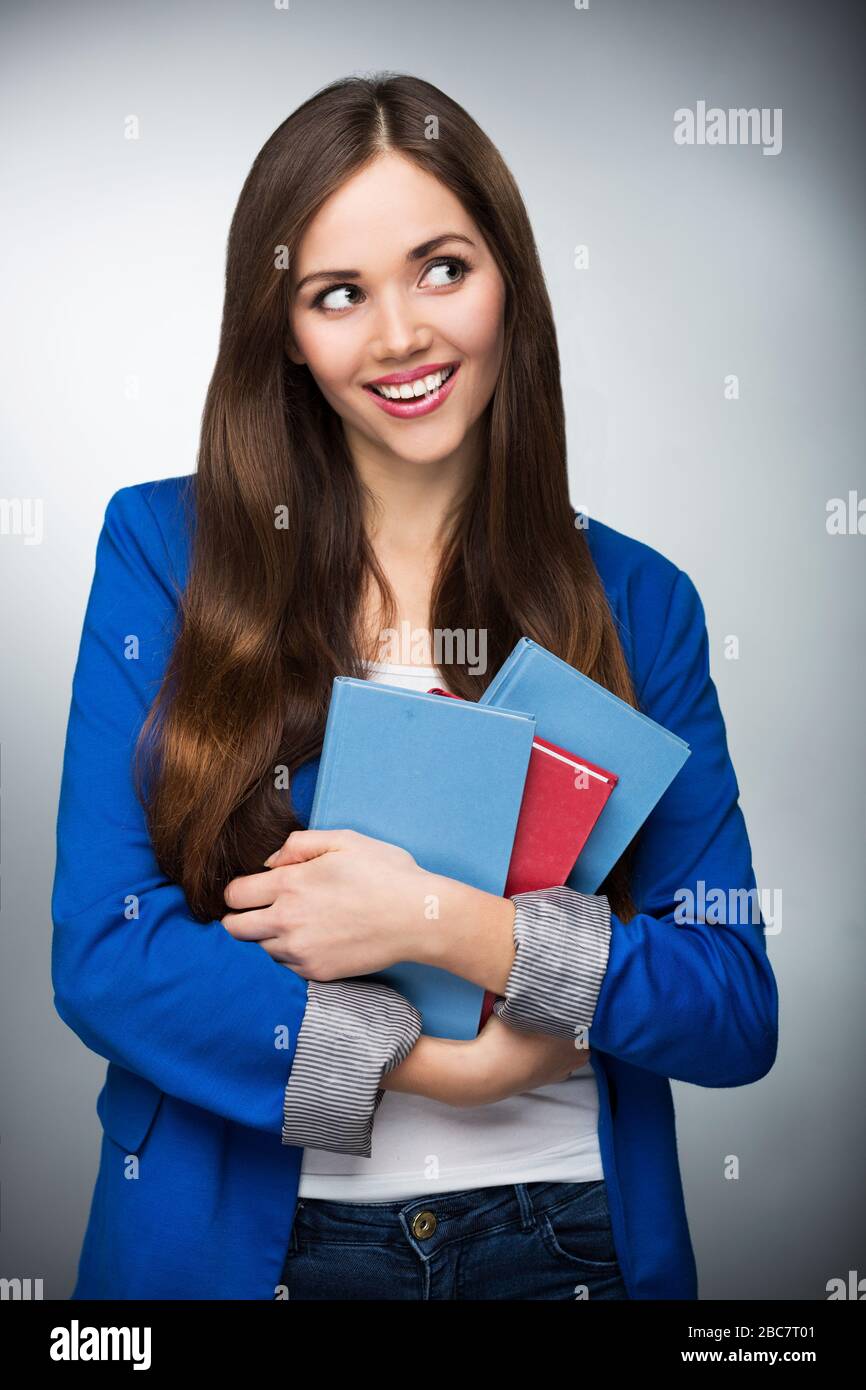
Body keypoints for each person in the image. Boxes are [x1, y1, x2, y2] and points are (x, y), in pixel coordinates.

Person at [51, 72, 779, 1302]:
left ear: (510, 280)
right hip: (245, 1251)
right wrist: (439, 1066)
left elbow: (728, 1001)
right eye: (339, 294)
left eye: (442, 268)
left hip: (567, 1241)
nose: (402, 335)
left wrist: (441, 923)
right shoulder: (162, 554)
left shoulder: (640, 599)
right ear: (284, 327)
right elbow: (106, 953)